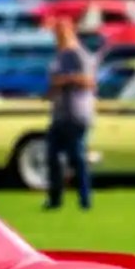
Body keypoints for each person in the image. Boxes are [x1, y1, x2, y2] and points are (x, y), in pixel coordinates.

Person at [45, 17, 96, 210]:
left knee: (77, 158)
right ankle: (54, 199)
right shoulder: (58, 55)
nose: (57, 37)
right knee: (52, 157)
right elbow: (52, 80)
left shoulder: (79, 54)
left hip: (77, 113)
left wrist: (65, 80)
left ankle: (85, 198)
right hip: (59, 113)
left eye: (60, 33)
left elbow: (89, 81)